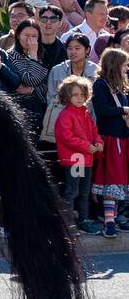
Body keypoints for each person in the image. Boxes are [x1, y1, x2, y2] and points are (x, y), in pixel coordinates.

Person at [53, 75, 103, 234]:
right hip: (76, 159)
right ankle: (68, 223)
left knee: (84, 192)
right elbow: (67, 138)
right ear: (67, 96)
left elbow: (94, 132)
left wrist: (98, 142)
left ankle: (84, 220)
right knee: (72, 191)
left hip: (86, 159)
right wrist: (87, 146)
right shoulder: (66, 115)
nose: (80, 98)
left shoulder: (85, 113)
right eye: (75, 95)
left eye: (82, 94)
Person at [90, 46, 129, 235]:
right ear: (115, 65)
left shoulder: (120, 88)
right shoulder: (100, 85)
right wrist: (124, 110)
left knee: (120, 180)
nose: (127, 68)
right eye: (125, 65)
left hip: (123, 138)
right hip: (111, 139)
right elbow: (102, 111)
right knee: (111, 180)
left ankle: (115, 218)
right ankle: (109, 222)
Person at [7, 18, 50, 137]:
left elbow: (47, 85)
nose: (30, 39)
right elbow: (30, 79)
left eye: (34, 36)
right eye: (26, 35)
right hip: (20, 108)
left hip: (39, 108)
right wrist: (33, 55)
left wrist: (33, 90)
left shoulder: (42, 56)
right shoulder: (11, 56)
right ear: (18, 36)